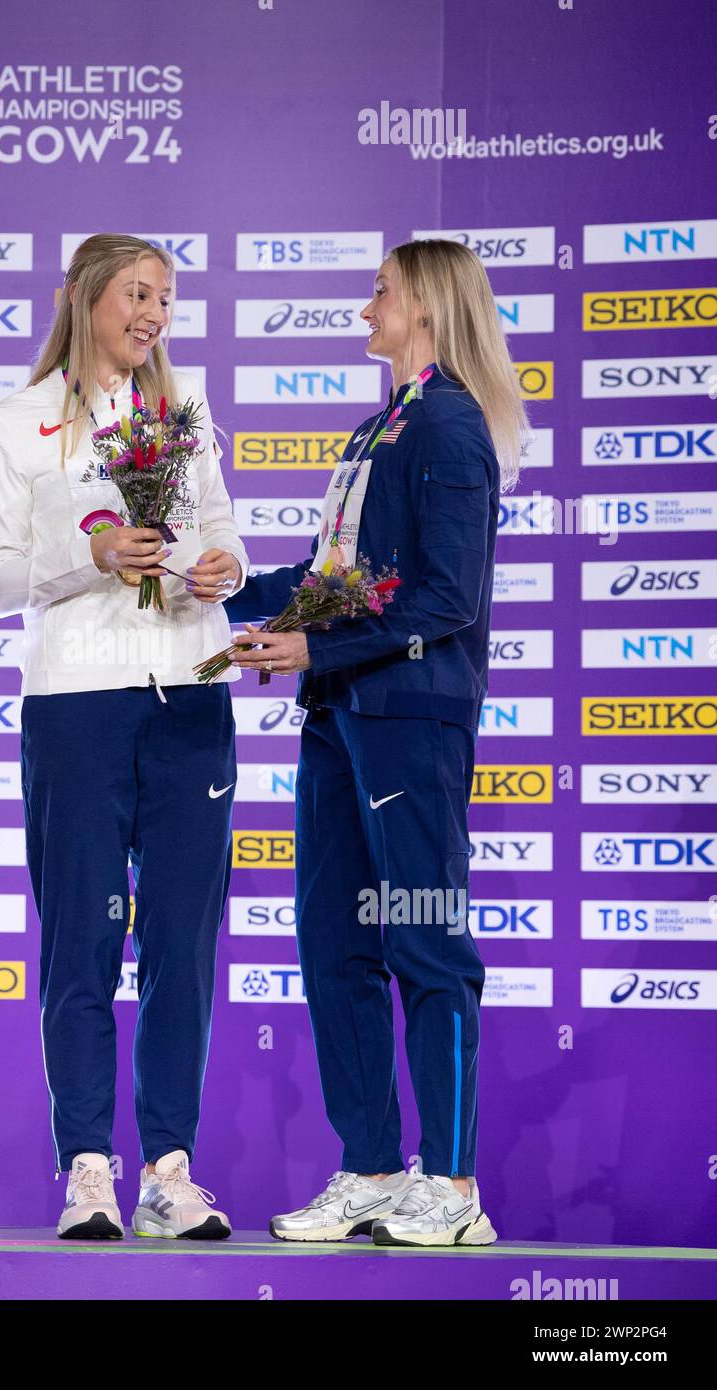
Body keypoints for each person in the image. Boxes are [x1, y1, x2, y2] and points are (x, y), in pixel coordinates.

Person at [226, 238, 527, 1247]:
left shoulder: (449, 424)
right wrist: (228, 584)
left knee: (425, 942)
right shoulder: (379, 427)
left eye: (381, 293)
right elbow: (336, 579)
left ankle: (452, 1183)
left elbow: (447, 596)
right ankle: (368, 1168)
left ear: (427, 308)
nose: (366, 309)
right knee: (335, 946)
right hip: (339, 719)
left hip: (410, 728)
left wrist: (312, 639)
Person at [0, 234, 249, 1240]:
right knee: (82, 946)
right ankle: (88, 1168)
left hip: (188, 694)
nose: (154, 315)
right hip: (76, 705)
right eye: (138, 293)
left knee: (180, 942)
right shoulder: (16, 420)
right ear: (85, 296)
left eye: (167, 299)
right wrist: (88, 551)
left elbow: (225, 529)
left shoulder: (183, 412)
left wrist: (217, 565)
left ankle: (170, 1172)